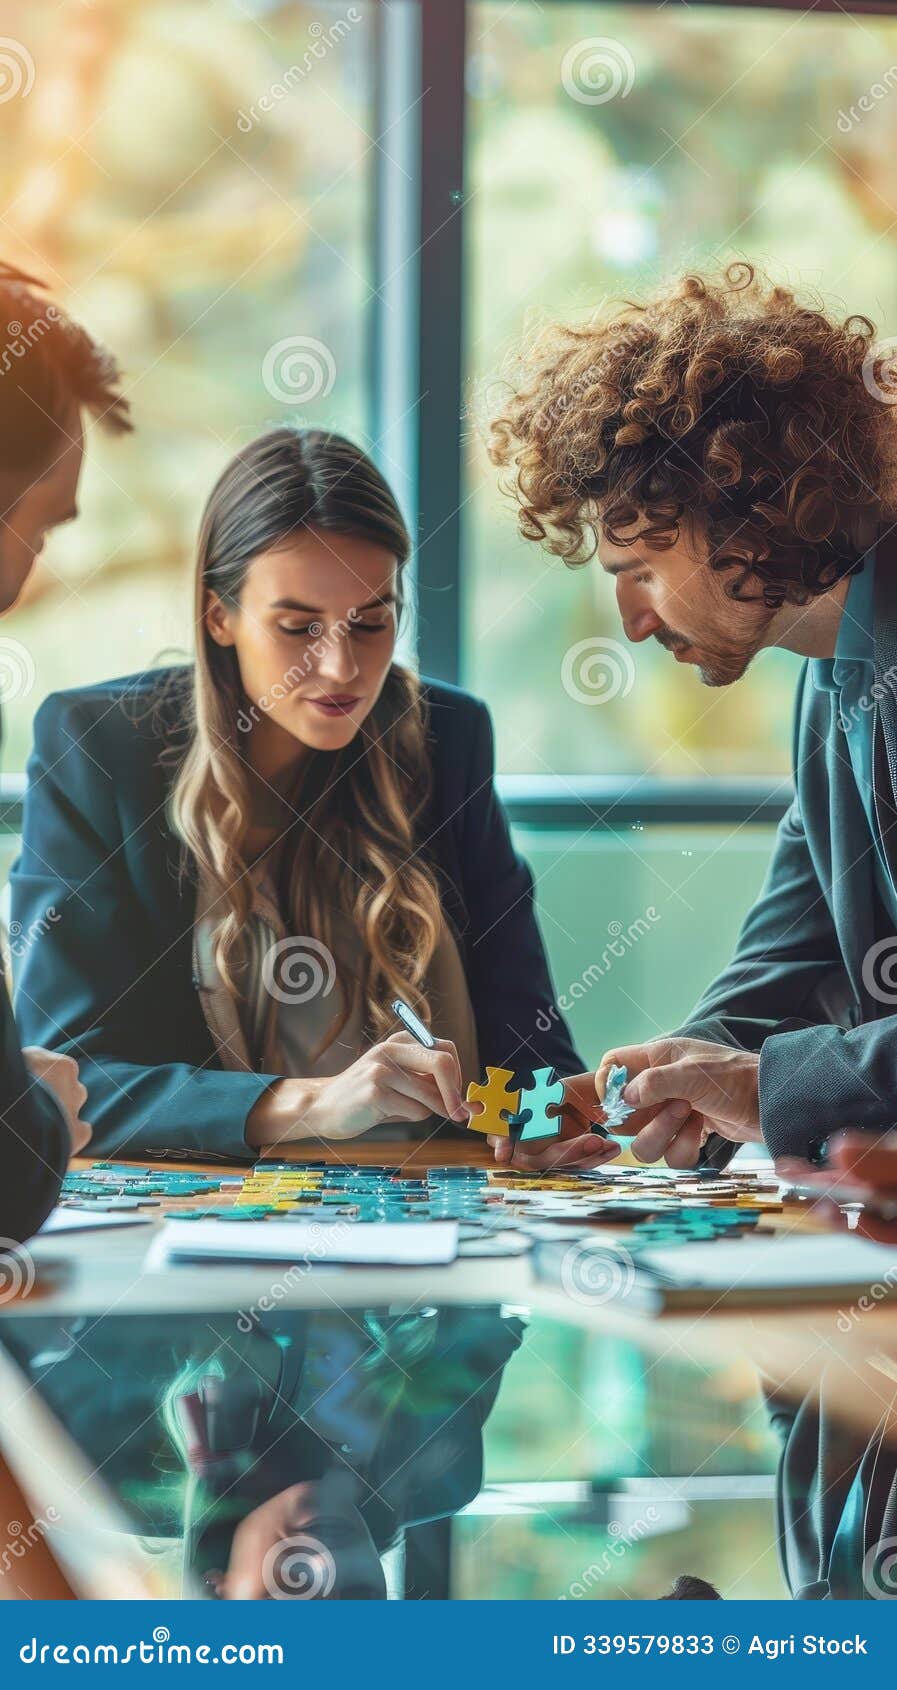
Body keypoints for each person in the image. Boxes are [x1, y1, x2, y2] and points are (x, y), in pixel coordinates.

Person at [11, 426, 600, 1161]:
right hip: (194, 1215)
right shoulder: (99, 747)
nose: (340, 667)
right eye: (297, 627)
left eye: (371, 621)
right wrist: (313, 1104)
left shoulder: (447, 738)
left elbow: (524, 1042)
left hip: (425, 1193)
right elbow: (62, 1074)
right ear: (216, 614)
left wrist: (541, 1122)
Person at [487, 260, 897, 1171]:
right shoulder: (829, 676)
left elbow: (776, 1064)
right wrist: (677, 1074)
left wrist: (762, 1089)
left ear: (745, 514)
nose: (632, 624)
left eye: (639, 571)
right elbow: (792, 954)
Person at [0, 261, 130, 1240]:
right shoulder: (99, 751)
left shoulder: (443, 743)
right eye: (32, 534)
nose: (19, 588)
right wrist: (30, 1114)